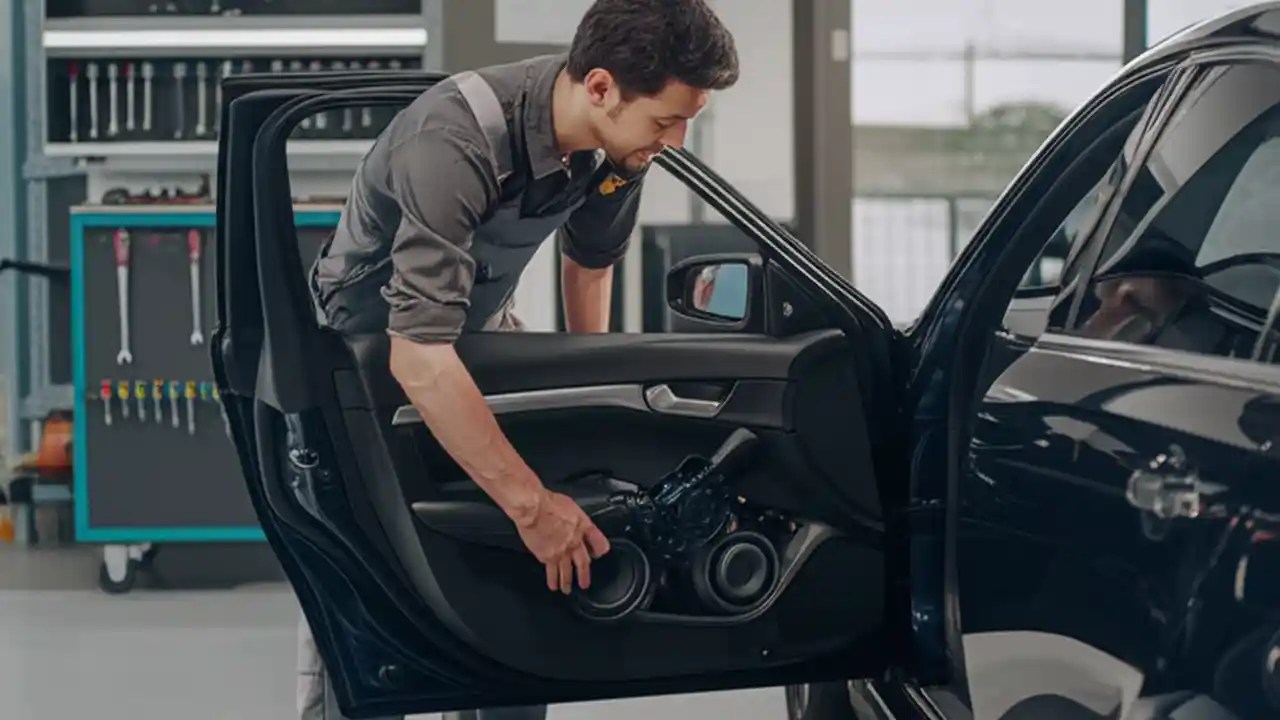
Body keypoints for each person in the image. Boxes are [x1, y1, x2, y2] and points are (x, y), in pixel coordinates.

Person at [297, 1, 740, 719]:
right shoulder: (454, 138)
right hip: (367, 355)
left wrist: (587, 404)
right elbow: (418, 358)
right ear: (600, 87)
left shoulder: (617, 146)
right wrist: (532, 505)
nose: (676, 141)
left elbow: (591, 266)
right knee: (366, 582)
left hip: (470, 330)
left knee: (506, 581)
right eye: (666, 121)